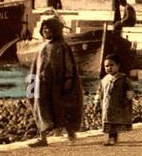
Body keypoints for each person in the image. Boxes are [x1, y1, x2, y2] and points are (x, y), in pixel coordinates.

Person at [28, 14, 84, 147]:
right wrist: (31, 81)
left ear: (56, 30)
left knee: (62, 108)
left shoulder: (62, 46)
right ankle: (43, 137)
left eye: (49, 29)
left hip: (58, 84)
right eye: (44, 29)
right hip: (42, 83)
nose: (46, 31)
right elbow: (36, 66)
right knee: (40, 106)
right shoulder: (42, 46)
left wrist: (68, 80)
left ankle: (71, 133)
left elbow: (69, 65)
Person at [95, 56, 133, 146]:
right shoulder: (104, 80)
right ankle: (110, 138)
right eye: (106, 66)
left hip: (118, 104)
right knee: (108, 122)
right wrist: (96, 103)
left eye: (112, 65)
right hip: (107, 105)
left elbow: (129, 90)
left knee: (115, 122)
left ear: (118, 66)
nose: (109, 68)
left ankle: (113, 138)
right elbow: (99, 92)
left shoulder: (123, 79)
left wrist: (128, 99)